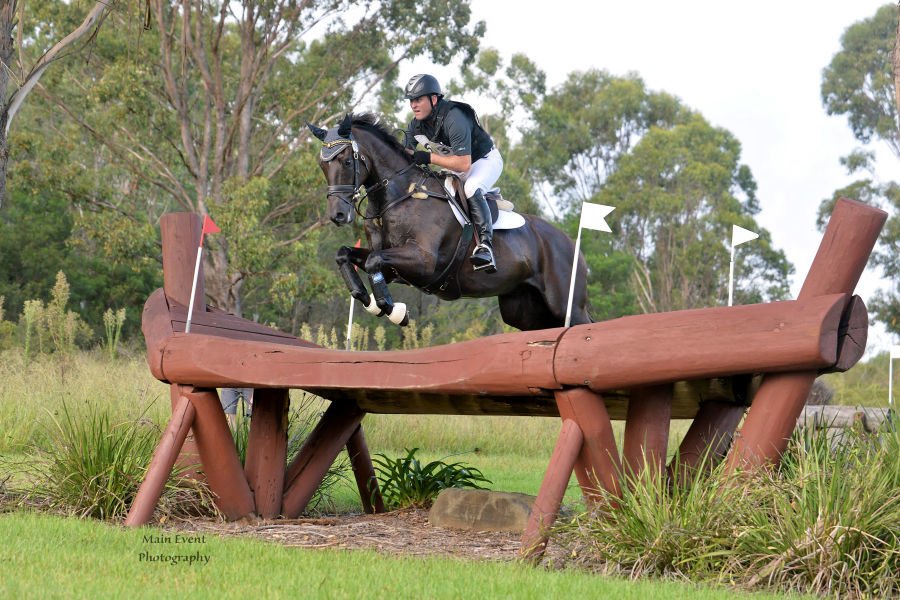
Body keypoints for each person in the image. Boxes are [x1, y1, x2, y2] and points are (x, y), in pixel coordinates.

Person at [404, 74, 503, 273]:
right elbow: (404, 155)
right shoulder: (416, 124)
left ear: (434, 99)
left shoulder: (454, 117)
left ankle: (485, 246)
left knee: (472, 187)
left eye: (418, 99)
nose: (414, 105)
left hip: (483, 161)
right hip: (453, 165)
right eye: (411, 101)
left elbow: (464, 164)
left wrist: (428, 158)